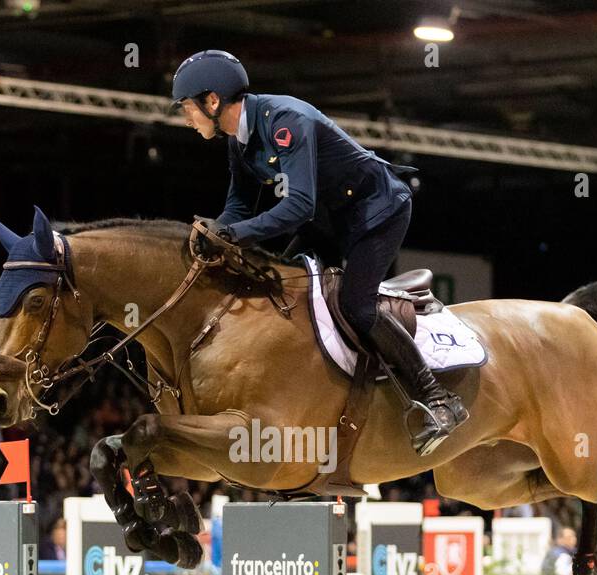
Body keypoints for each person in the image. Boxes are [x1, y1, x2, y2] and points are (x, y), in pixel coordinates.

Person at [170, 49, 468, 456]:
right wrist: (215, 234)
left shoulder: (286, 121)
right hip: (331, 219)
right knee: (282, 288)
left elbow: (298, 206)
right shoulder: (239, 140)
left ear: (212, 100)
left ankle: (438, 398)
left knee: (356, 305)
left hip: (377, 212)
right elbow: (238, 206)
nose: (186, 118)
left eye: (187, 107)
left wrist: (235, 235)